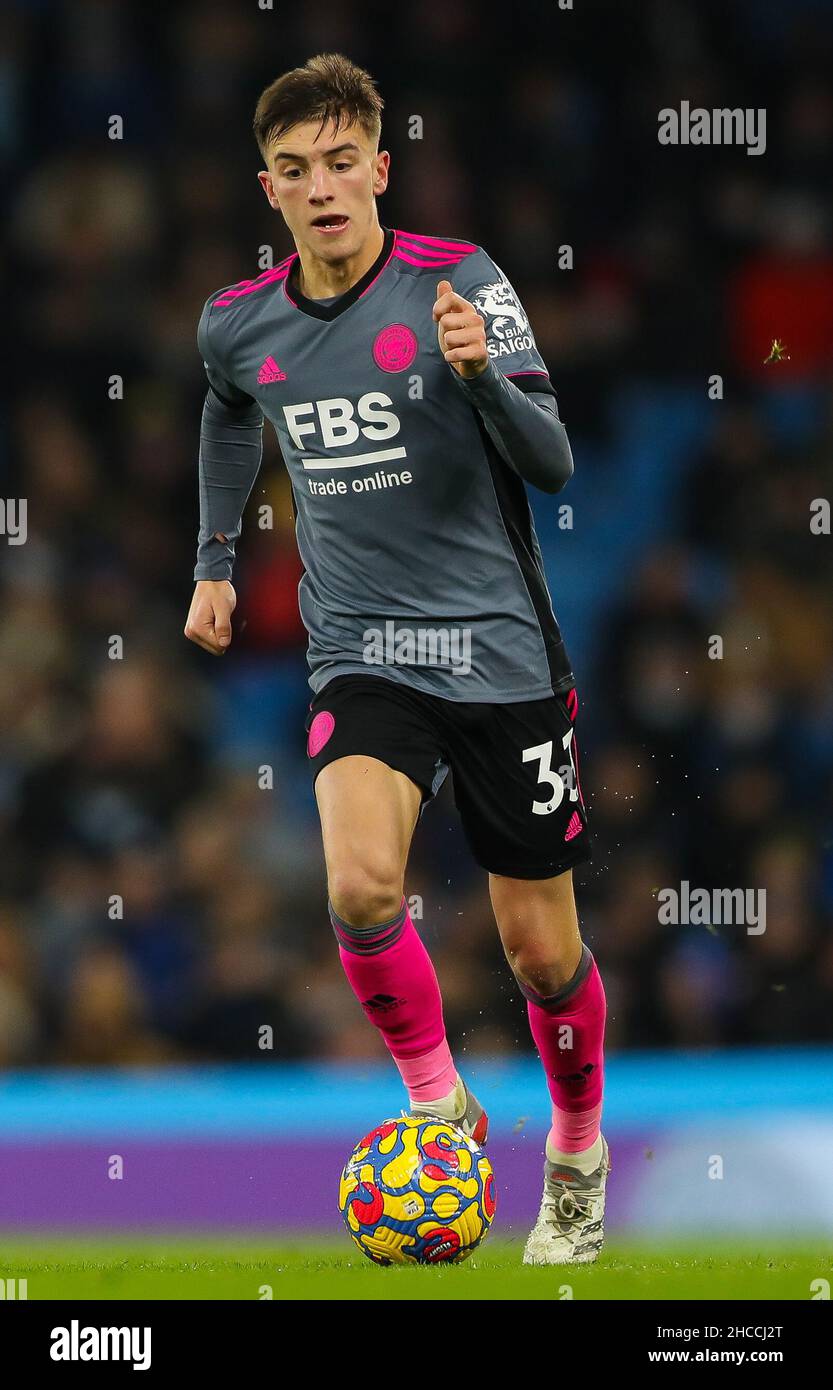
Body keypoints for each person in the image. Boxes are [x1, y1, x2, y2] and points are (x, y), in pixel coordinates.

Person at [184, 52, 609, 1264]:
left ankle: (573, 1154)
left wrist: (481, 379)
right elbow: (226, 404)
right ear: (267, 189)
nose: (321, 189)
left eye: (339, 163)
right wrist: (216, 559)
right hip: (363, 648)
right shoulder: (239, 322)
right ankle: (440, 1103)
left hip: (498, 654)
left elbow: (553, 464)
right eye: (293, 171)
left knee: (541, 951)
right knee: (360, 888)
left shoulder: (458, 283)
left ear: (380, 166)